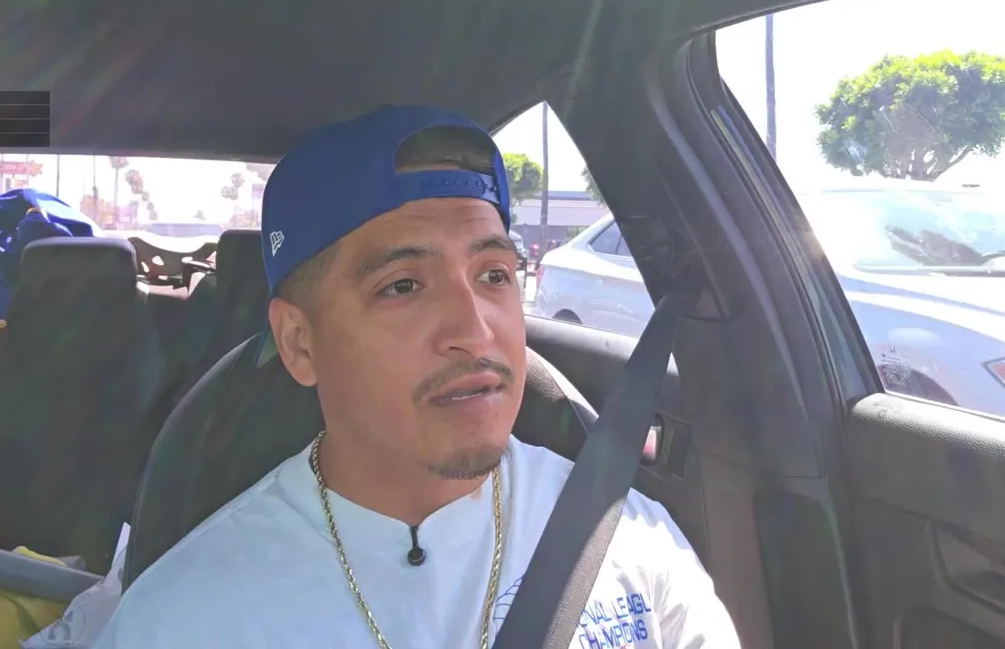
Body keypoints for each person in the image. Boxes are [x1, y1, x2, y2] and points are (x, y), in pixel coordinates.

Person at [94, 106, 741, 648]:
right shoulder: (188, 617)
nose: (476, 330)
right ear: (298, 342)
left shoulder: (625, 539)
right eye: (402, 285)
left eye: (494, 275)